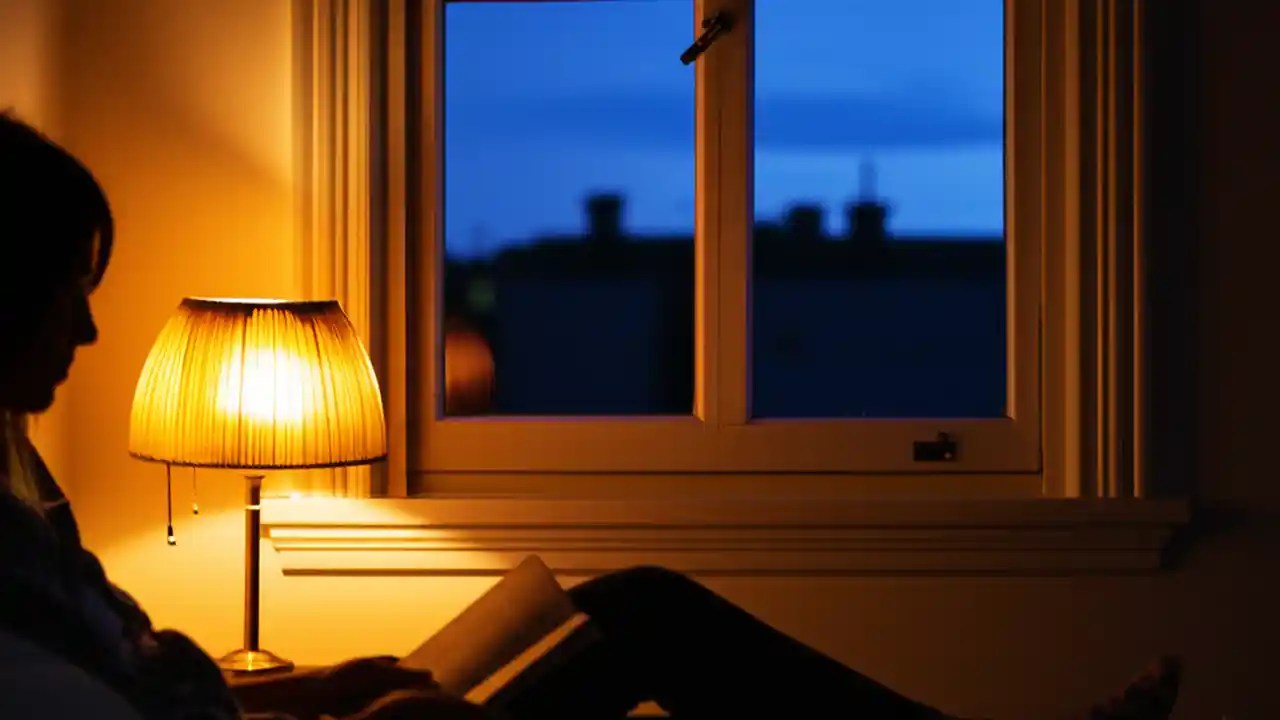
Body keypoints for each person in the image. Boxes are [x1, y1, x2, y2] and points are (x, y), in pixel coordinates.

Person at [0, 112, 1182, 720]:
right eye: (72, 302)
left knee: (637, 598)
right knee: (649, 629)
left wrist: (312, 688)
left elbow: (141, 677)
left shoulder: (17, 475)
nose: (91, 338)